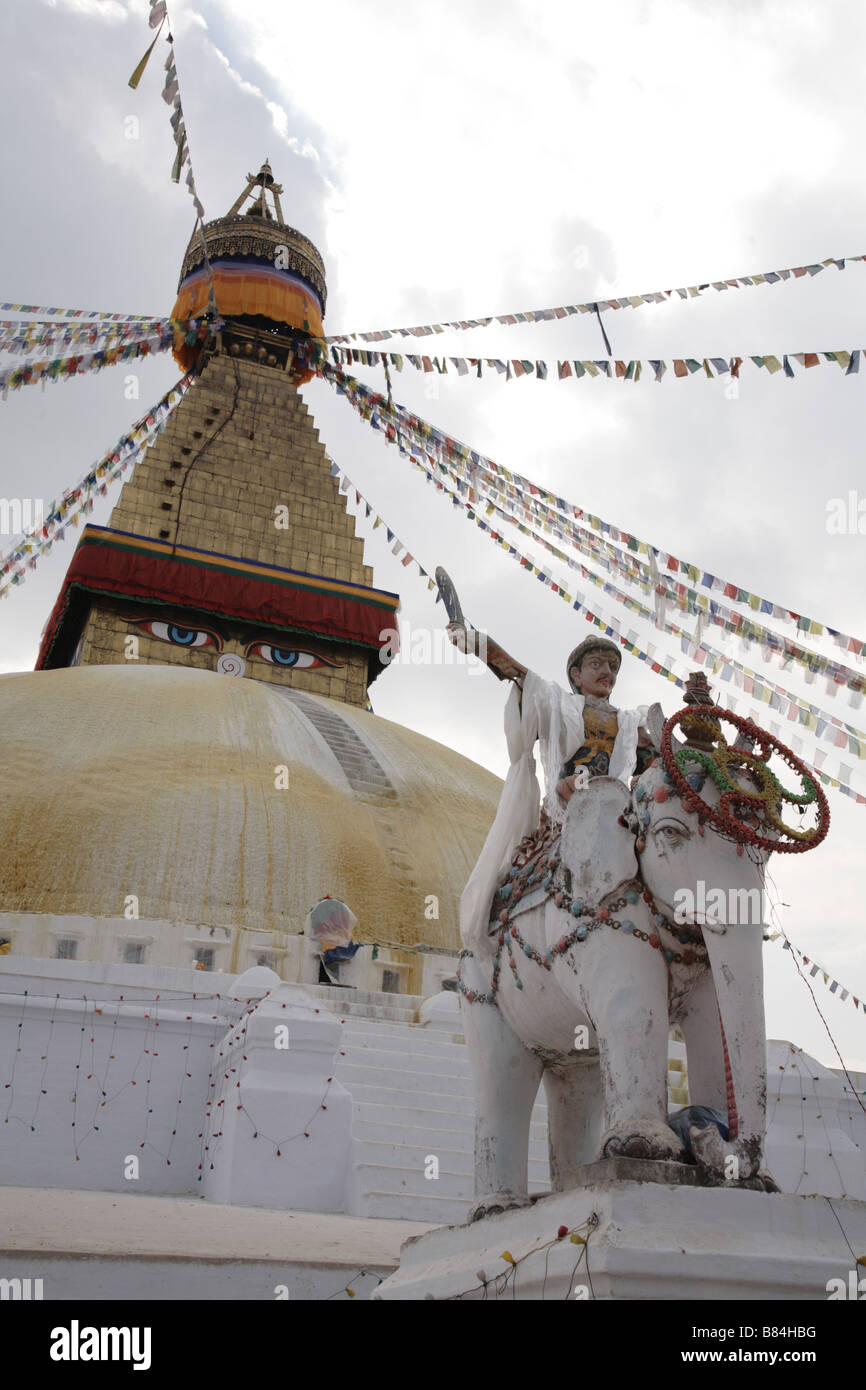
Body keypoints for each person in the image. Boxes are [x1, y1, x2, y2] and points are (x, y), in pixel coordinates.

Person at [446, 622, 663, 950]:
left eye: (613, 666)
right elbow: (519, 674)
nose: (607, 671)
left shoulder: (631, 723)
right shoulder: (560, 705)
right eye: (597, 665)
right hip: (568, 803)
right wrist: (479, 644)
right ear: (576, 676)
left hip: (618, 811)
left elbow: (659, 756)